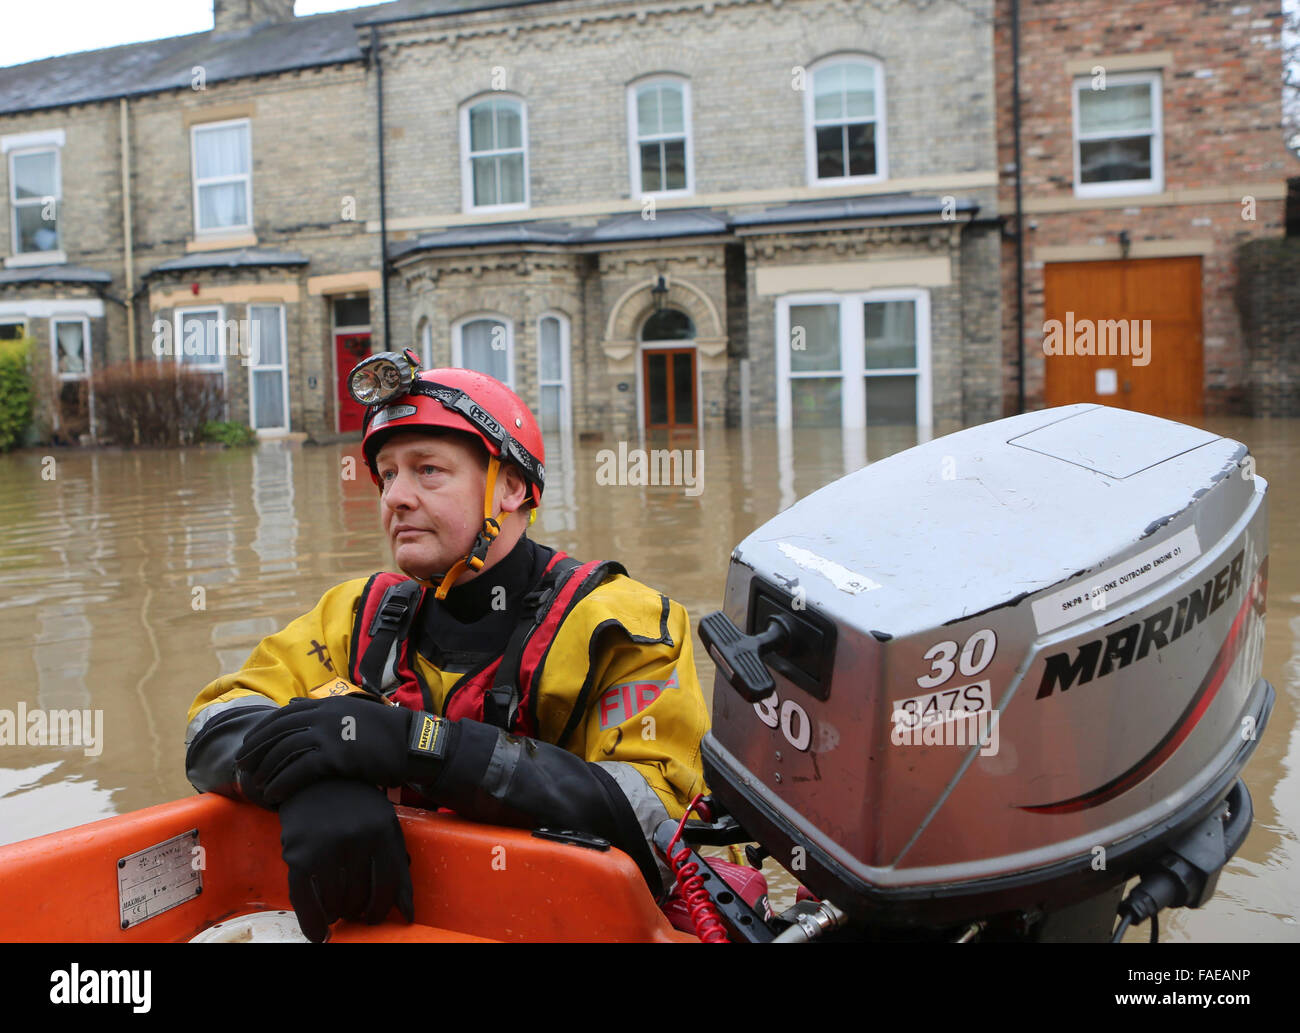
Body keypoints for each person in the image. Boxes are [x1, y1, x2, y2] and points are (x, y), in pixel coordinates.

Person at [184, 356, 711, 942]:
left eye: (428, 470)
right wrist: (314, 783)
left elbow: (660, 824)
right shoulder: (354, 614)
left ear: (511, 486)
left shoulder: (621, 624)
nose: (395, 498)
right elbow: (213, 724)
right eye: (386, 475)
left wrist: (418, 747)